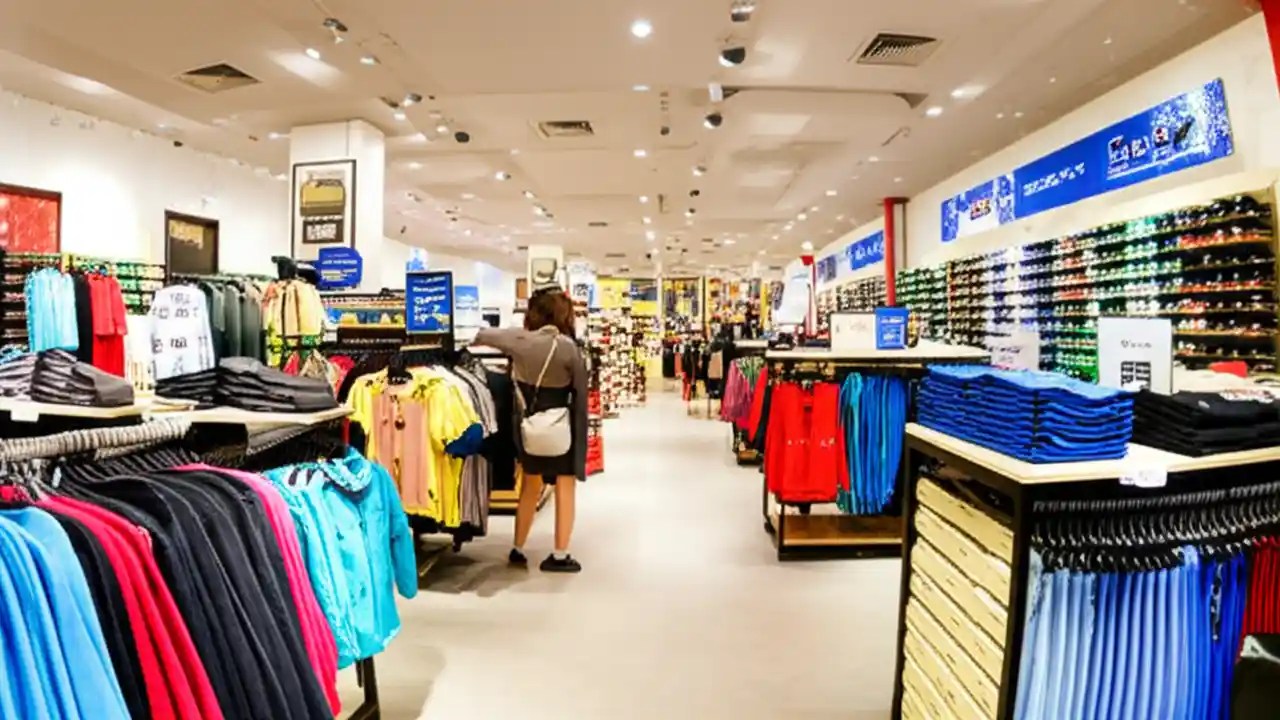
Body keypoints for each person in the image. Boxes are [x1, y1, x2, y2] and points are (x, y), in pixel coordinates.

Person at [474, 287, 587, 573]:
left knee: (529, 486)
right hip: (561, 429)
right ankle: (560, 554)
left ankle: (518, 547)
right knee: (565, 487)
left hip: (528, 428)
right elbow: (581, 395)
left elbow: (483, 335)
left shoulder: (519, 340)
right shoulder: (568, 347)